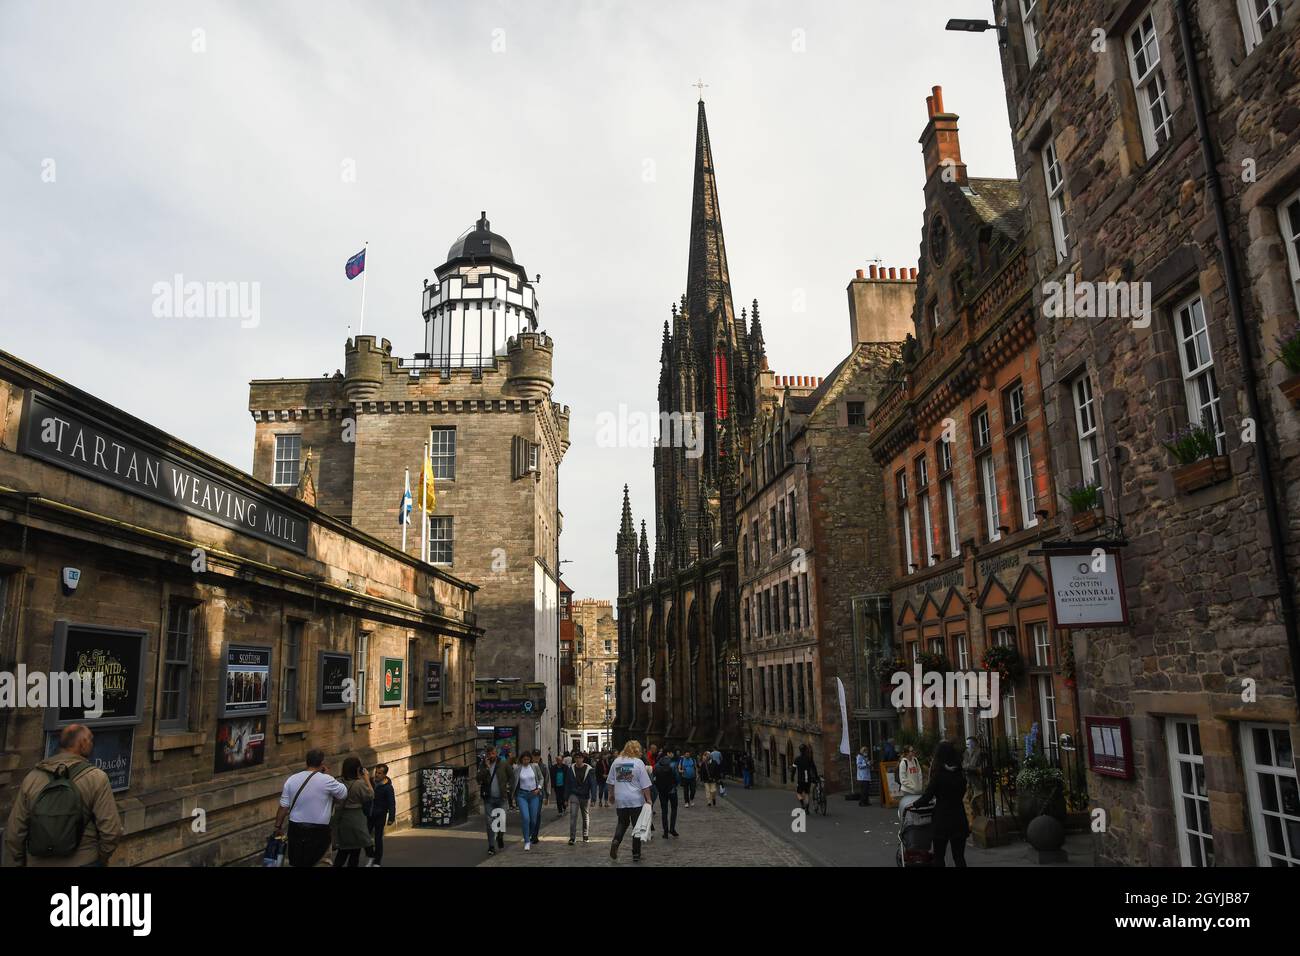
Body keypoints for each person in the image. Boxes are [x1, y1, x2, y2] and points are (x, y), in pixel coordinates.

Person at [4, 724, 123, 867]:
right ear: (82, 743)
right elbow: (111, 831)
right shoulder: (96, 778)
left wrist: (20, 862)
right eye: (90, 740)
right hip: (84, 861)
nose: (92, 744)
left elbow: (14, 833)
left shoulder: (33, 778)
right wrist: (100, 858)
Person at [275, 749, 349, 867]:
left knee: (296, 862)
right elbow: (343, 793)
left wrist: (278, 826)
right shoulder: (327, 780)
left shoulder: (292, 779)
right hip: (319, 831)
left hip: (295, 829)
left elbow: (283, 806)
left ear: (307, 762)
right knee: (320, 862)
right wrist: (329, 775)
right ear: (322, 763)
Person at [920, 740, 970, 866]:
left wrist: (913, 805)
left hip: (942, 819)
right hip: (959, 817)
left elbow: (927, 797)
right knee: (959, 857)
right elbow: (962, 793)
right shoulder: (960, 776)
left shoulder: (938, 776)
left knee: (939, 857)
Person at [608, 740, 653, 863]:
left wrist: (611, 795)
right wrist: (648, 799)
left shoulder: (616, 762)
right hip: (636, 800)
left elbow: (610, 782)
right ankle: (636, 853)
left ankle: (616, 841)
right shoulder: (638, 763)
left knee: (622, 823)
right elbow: (645, 785)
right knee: (636, 827)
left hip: (621, 799)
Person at [332, 757, 374, 867]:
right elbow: (370, 795)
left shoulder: (338, 782)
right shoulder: (359, 784)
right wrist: (366, 779)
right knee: (355, 851)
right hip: (356, 818)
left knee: (343, 851)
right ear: (357, 769)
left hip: (341, 818)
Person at [477, 746, 514, 856]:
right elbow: (478, 779)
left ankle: (500, 836)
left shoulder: (503, 764)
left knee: (501, 821)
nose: (491, 756)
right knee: (489, 823)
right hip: (489, 798)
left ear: (496, 754)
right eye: (489, 754)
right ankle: (491, 846)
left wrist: (509, 788)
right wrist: (487, 768)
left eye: (493, 753)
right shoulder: (483, 765)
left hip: (501, 797)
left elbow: (512, 777)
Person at [365, 763, 397, 867]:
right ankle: (371, 855)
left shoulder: (388, 788)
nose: (377, 775)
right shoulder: (370, 782)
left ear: (384, 775)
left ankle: (377, 861)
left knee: (378, 839)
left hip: (380, 815)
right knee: (365, 837)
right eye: (376, 772)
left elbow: (391, 803)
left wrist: (391, 817)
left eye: (379, 773)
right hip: (368, 814)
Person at [514, 751, 545, 851]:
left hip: (534, 794)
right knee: (526, 818)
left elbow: (541, 778)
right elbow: (513, 781)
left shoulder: (535, 766)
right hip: (522, 795)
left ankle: (530, 835)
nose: (526, 761)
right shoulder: (517, 768)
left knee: (534, 819)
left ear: (530, 759)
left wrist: (539, 788)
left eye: (528, 759)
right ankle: (527, 840)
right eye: (524, 759)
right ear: (521, 759)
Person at [567, 752, 597, 844]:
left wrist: (593, 799)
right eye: (576, 758)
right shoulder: (571, 769)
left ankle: (585, 835)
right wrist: (565, 798)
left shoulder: (589, 770)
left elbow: (593, 784)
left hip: (585, 795)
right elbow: (567, 783)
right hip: (574, 794)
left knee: (585, 816)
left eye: (580, 758)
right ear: (574, 759)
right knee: (573, 816)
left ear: (583, 759)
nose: (578, 760)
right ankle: (572, 837)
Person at [653, 748, 680, 837]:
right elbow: (677, 777)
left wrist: (658, 788)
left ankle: (665, 831)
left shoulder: (656, 765)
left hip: (662, 791)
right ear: (668, 754)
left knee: (664, 811)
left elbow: (654, 778)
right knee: (674, 809)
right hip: (672, 790)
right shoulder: (673, 764)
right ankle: (672, 829)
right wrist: (675, 785)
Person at [793, 744, 819, 814]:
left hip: (800, 780)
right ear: (805, 750)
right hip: (808, 779)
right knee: (807, 794)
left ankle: (802, 804)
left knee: (798, 793)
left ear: (800, 751)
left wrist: (792, 777)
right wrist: (816, 776)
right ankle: (807, 809)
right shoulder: (809, 759)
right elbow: (814, 768)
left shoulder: (797, 759)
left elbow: (793, 769)